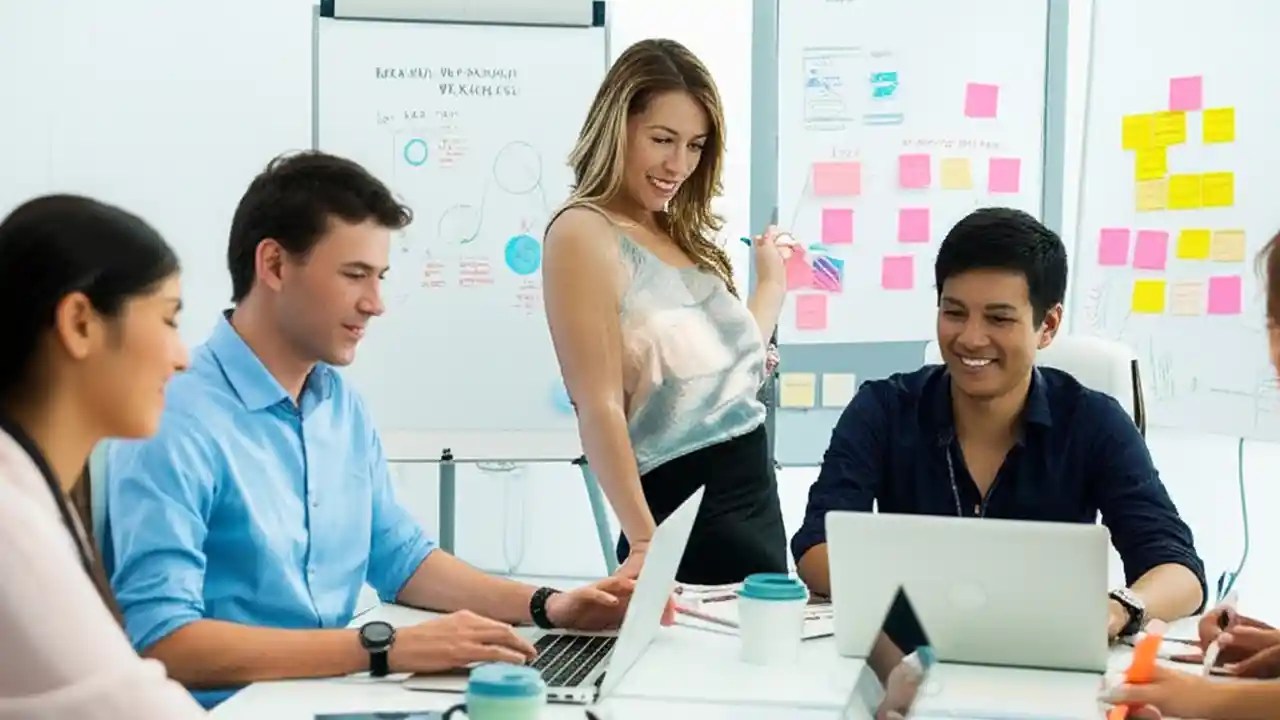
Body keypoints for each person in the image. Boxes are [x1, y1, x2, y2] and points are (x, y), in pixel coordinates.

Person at [104, 151, 637, 709]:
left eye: (379, 277)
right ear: (275, 266)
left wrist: (549, 605)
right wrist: (381, 649)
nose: (375, 304)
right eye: (354, 275)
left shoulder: (339, 407)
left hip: (329, 698)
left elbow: (401, 561)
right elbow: (163, 642)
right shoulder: (174, 418)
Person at [792, 207, 1206, 643]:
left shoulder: (1094, 423)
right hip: (910, 655)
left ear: (1047, 325)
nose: (971, 338)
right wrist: (937, 596)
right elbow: (816, 548)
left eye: (998, 318)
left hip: (1047, 660)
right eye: (954, 312)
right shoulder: (883, 409)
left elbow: (1180, 571)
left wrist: (1119, 608)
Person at [542, 38, 791, 585]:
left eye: (696, 146)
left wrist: (772, 283)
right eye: (662, 139)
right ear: (618, 128)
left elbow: (726, 375)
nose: (679, 165)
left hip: (754, 500)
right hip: (678, 507)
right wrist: (645, 538)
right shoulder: (583, 231)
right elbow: (598, 404)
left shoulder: (676, 232)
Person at [0, 195, 204, 718]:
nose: (182, 358)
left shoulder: (33, 492)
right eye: (168, 319)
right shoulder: (11, 522)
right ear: (80, 323)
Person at [1103, 230, 1280, 719]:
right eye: (1272, 324)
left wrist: (1209, 700)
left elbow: (1175, 563)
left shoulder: (1092, 419)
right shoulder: (893, 408)